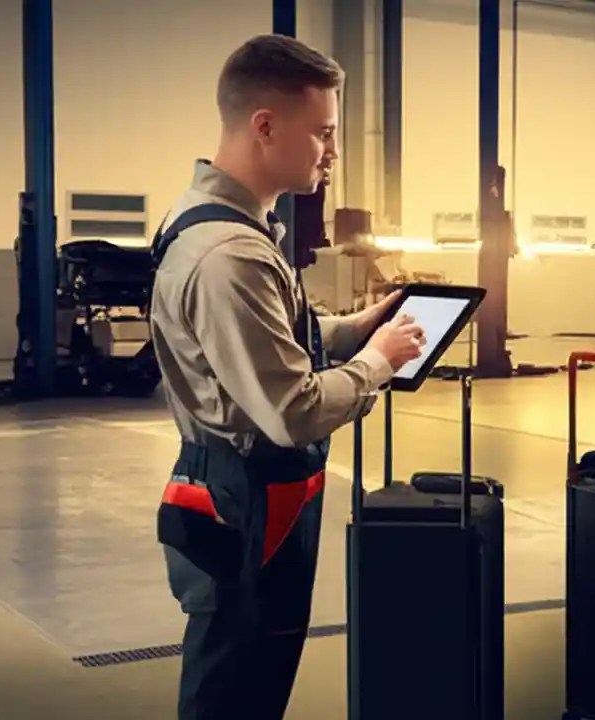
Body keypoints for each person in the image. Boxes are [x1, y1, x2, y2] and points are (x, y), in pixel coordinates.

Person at [148, 34, 425, 719]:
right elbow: (292, 409)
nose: (333, 152)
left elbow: (257, 343)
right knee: (239, 690)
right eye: (323, 133)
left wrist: (352, 328)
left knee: (246, 675)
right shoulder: (231, 254)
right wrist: (378, 361)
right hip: (246, 501)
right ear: (266, 126)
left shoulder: (216, 222)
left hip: (240, 491)